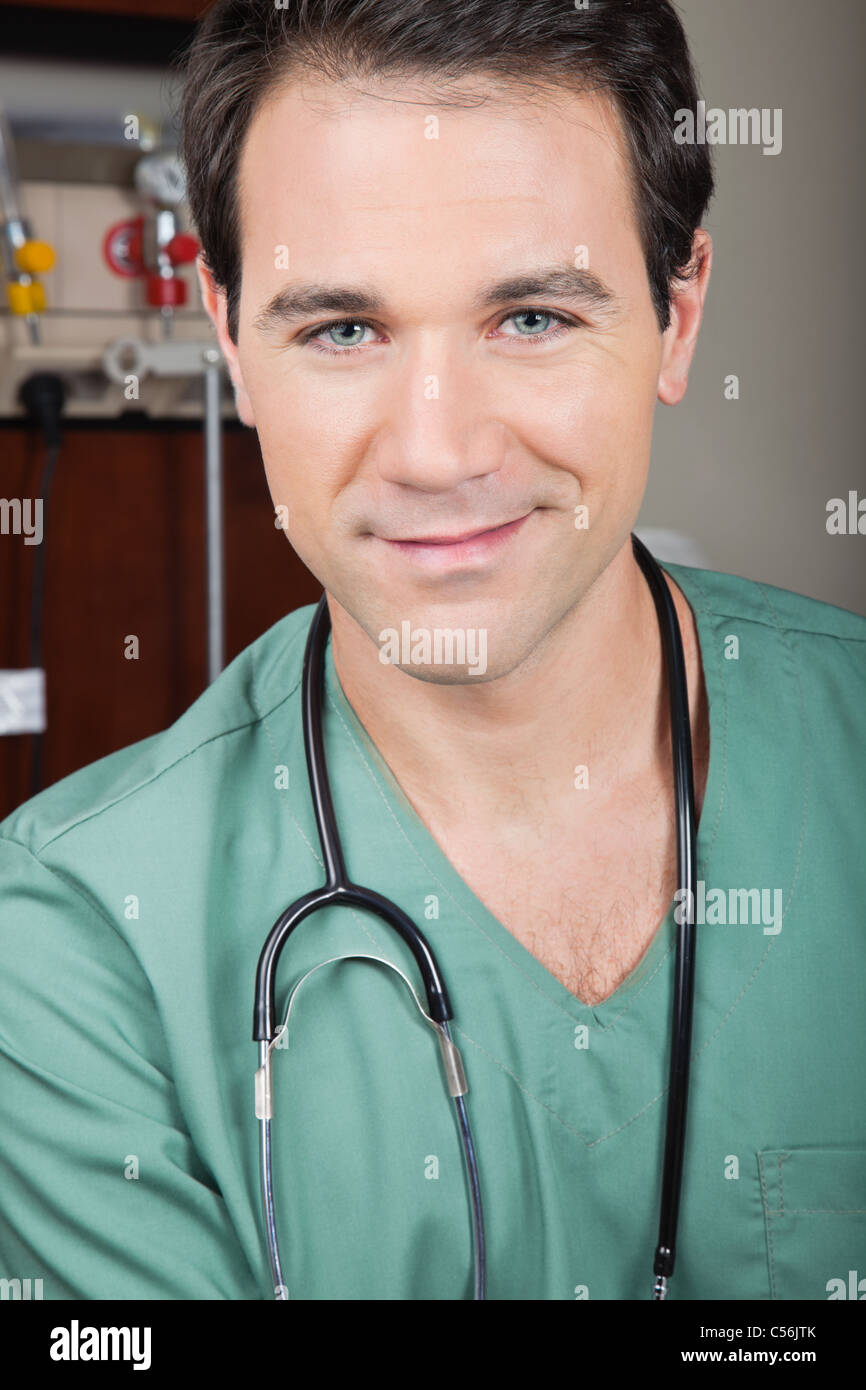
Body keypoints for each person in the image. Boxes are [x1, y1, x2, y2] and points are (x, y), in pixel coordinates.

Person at [1, 0, 864, 1303]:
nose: (438, 451)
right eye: (341, 329)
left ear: (676, 312)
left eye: (530, 317)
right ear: (228, 334)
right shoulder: (66, 950)